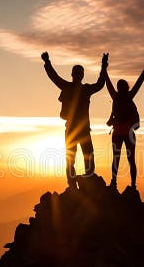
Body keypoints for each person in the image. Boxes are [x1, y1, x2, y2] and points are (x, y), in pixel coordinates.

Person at [42, 51, 109, 188]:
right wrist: (103, 66)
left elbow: (54, 77)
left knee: (76, 157)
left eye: (79, 73)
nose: (78, 75)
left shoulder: (73, 87)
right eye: (78, 73)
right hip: (80, 129)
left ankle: (76, 184)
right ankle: (82, 182)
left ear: (74, 75)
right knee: (81, 156)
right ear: (76, 75)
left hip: (75, 129)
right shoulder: (84, 89)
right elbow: (100, 84)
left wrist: (47, 62)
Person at [104, 56, 144, 190]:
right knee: (131, 160)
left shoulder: (115, 97)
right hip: (129, 134)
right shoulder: (129, 96)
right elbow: (140, 81)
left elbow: (107, 82)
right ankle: (133, 184)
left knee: (116, 159)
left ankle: (114, 182)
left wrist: (104, 67)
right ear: (126, 87)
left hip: (117, 133)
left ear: (119, 88)